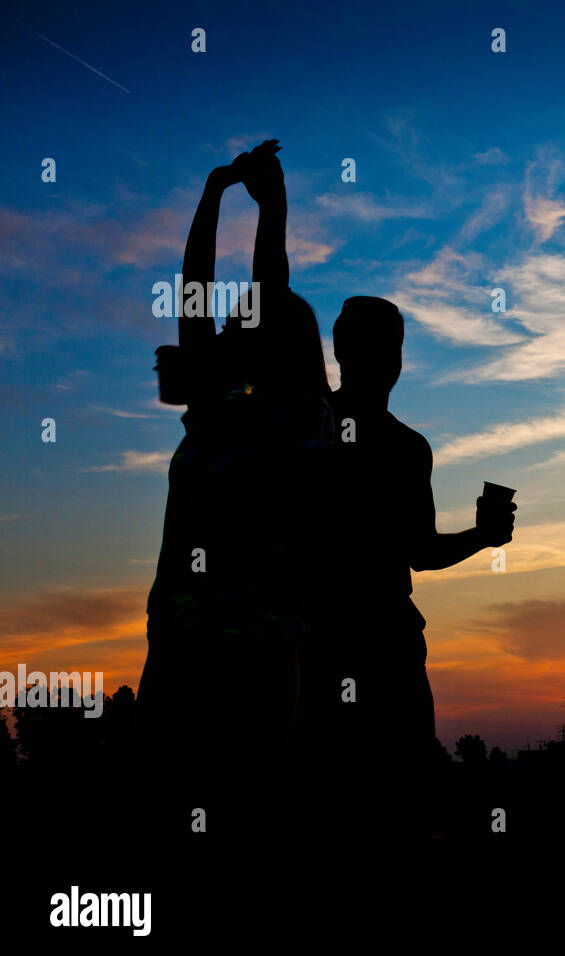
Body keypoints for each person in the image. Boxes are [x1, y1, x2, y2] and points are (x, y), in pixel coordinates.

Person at [139, 141, 334, 843]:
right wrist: (214, 192)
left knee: (247, 812)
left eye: (239, 322)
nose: (221, 325)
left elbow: (268, 287)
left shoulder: (291, 419)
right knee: (175, 808)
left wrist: (271, 206)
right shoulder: (216, 411)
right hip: (182, 630)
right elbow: (196, 290)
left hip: (257, 639)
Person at [296, 295, 516, 838]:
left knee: (405, 807)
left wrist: (483, 537)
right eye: (374, 347)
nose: (387, 360)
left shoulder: (409, 448)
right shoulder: (310, 424)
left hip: (390, 647)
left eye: (393, 348)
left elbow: (420, 552)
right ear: (343, 352)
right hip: (323, 646)